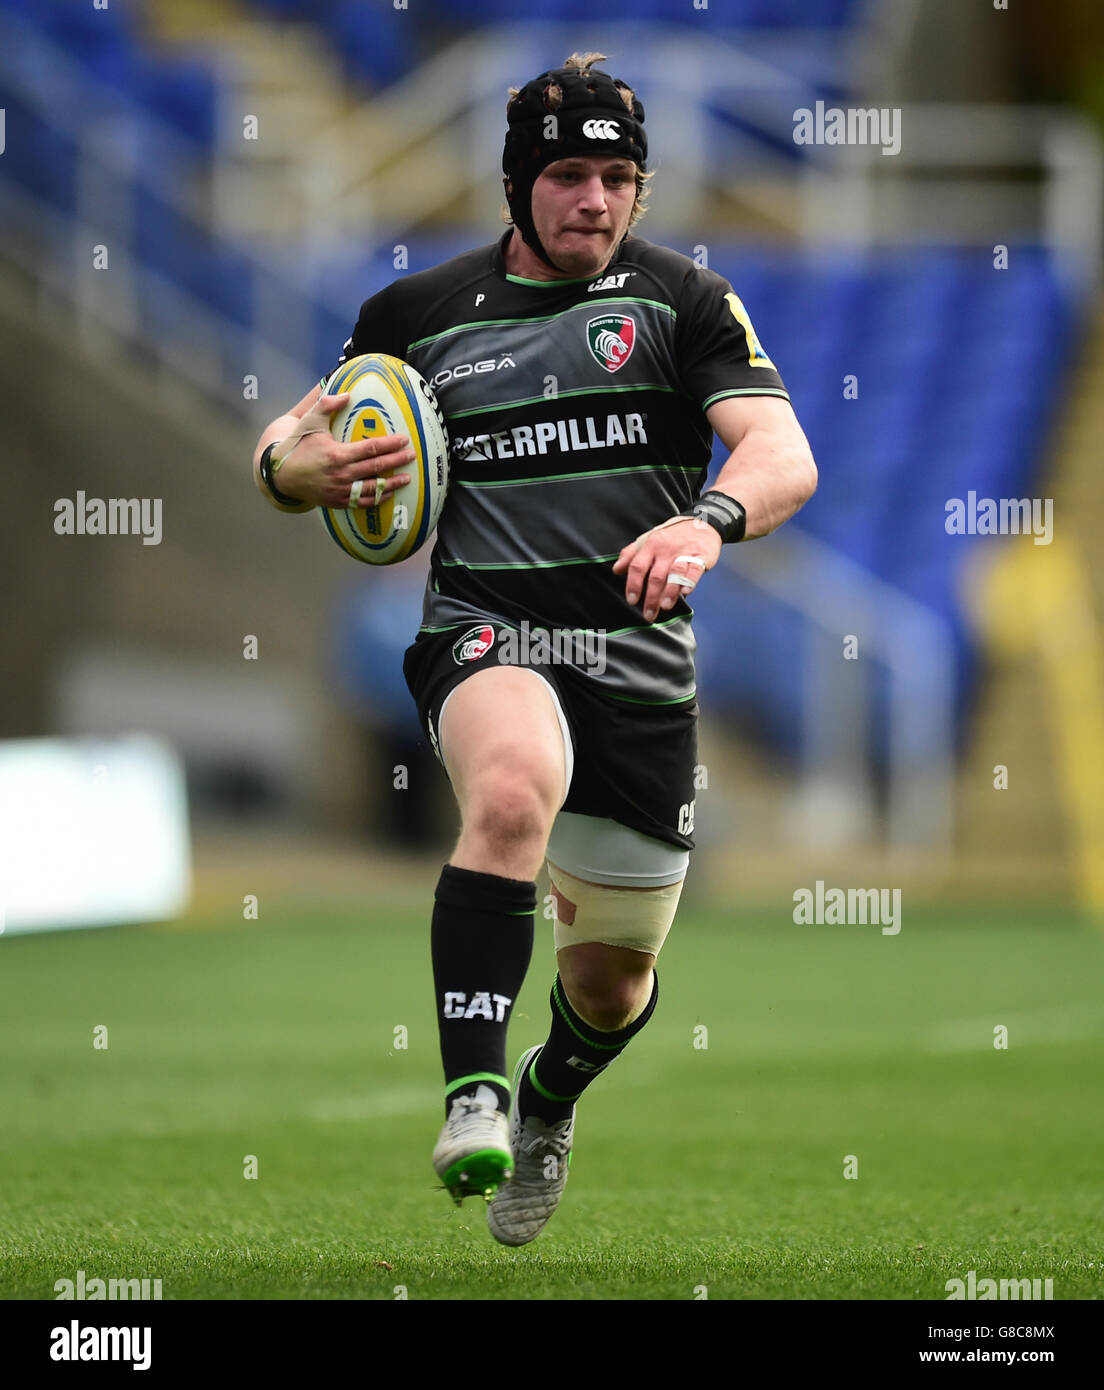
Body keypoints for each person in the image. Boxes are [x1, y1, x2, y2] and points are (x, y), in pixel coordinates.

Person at [251, 52, 817, 1247]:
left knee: (611, 986)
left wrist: (705, 519)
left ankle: (551, 1093)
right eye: (569, 175)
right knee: (510, 791)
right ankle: (474, 1090)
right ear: (518, 183)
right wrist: (291, 474)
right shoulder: (412, 320)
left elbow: (781, 452)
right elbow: (291, 440)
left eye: (620, 177)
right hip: (486, 629)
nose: (596, 202)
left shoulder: (685, 302)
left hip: (638, 667)